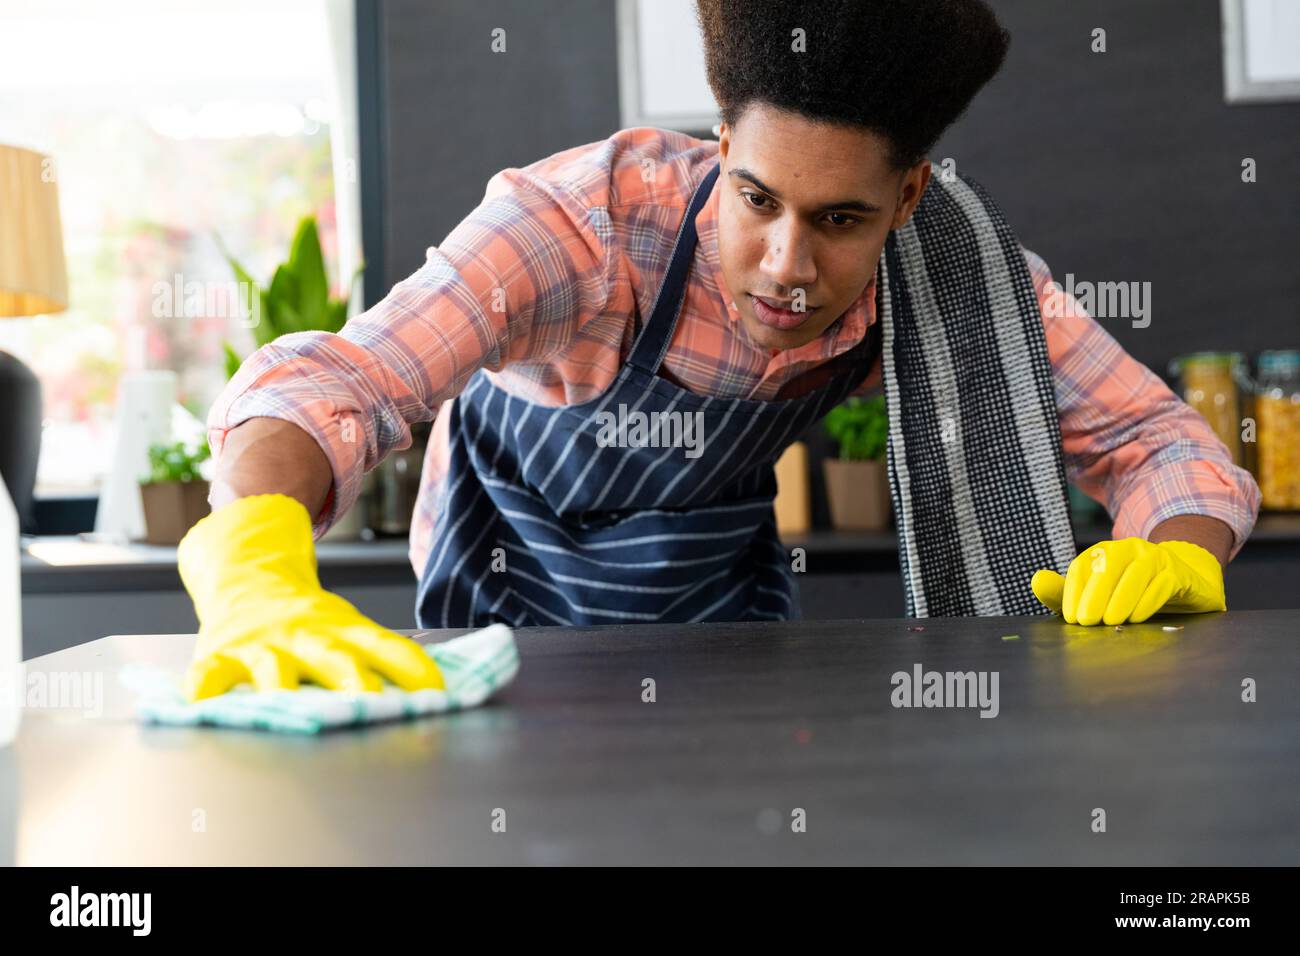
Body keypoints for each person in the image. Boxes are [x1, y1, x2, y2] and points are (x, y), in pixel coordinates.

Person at [177, 0, 1259, 700]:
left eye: (839, 219)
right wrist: (256, 564)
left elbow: (1163, 441)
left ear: (907, 196)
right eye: (757, 199)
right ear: (720, 142)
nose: (787, 264)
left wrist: (1178, 551)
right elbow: (335, 381)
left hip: (727, 642)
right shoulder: (579, 225)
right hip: (505, 633)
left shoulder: (947, 265)